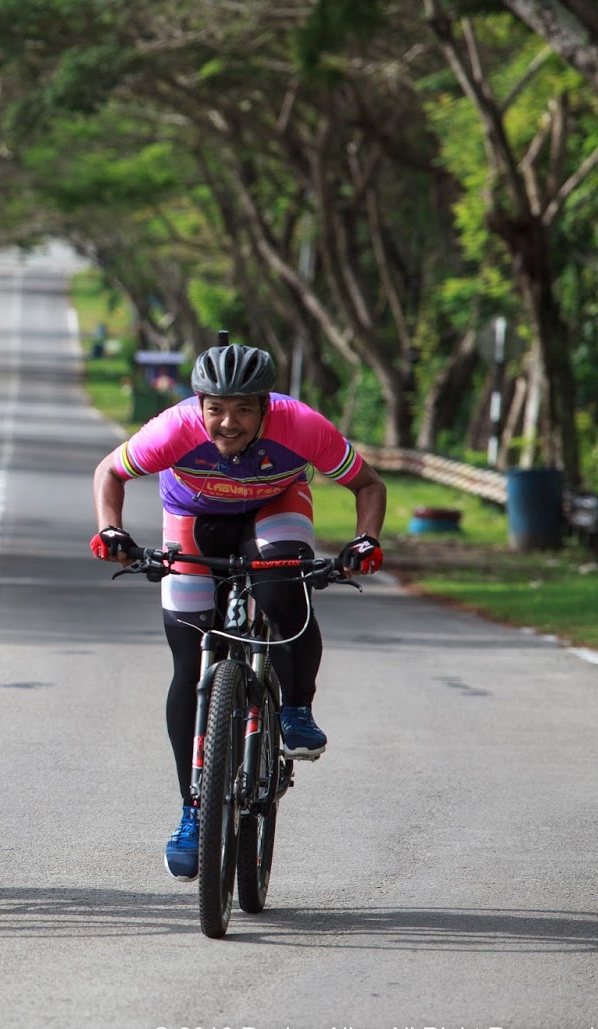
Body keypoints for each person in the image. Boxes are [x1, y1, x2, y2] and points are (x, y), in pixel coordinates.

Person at [90, 339, 386, 882]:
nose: (228, 422)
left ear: (266, 407)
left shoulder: (301, 426)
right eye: (216, 409)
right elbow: (110, 473)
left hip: (275, 509)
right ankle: (192, 812)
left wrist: (365, 540)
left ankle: (295, 708)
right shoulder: (174, 429)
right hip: (192, 516)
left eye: (244, 408)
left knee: (280, 587)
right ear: (198, 404)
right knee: (187, 656)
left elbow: (368, 484)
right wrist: (111, 529)